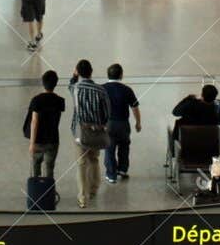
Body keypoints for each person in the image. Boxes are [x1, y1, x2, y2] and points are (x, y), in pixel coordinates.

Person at [69, 60, 111, 208]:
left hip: (80, 132)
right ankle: (93, 190)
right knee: (94, 159)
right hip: (96, 132)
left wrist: (74, 76)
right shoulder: (101, 90)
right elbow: (107, 113)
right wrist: (100, 125)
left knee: (81, 163)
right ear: (91, 71)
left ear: (78, 72)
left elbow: (70, 84)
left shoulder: (75, 88)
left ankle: (82, 197)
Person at [101, 64, 141, 185]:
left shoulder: (101, 89)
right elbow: (135, 107)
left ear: (108, 75)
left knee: (109, 150)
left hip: (108, 124)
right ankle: (123, 169)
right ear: (121, 75)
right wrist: (138, 122)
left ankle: (111, 175)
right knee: (124, 146)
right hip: (123, 124)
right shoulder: (127, 89)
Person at [23, 70, 66, 181]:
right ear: (55, 84)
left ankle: (36, 193)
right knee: (49, 169)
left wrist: (32, 143)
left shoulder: (36, 100)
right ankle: (48, 193)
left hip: (38, 140)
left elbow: (34, 122)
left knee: (35, 168)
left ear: (43, 83)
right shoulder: (60, 101)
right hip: (53, 140)